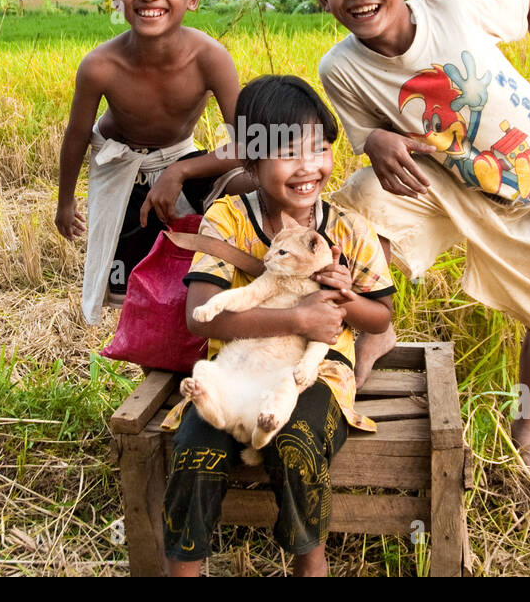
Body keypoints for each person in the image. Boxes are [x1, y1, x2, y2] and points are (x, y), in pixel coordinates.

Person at [311, 0, 530, 469]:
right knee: (361, 203)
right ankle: (376, 328)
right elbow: (363, 132)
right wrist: (374, 141)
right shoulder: (340, 67)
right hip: (452, 182)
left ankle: (528, 430)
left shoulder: (455, 8)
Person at [161, 75, 395, 576]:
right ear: (250, 158)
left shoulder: (349, 228)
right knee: (195, 453)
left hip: (314, 371)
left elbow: (381, 315)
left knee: (296, 445)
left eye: (322, 149)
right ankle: (183, 568)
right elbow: (200, 313)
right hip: (239, 368)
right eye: (289, 152)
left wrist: (346, 299)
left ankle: (311, 565)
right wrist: (297, 317)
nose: (309, 167)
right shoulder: (227, 219)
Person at [55, 0, 246, 324]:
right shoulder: (100, 65)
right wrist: (65, 202)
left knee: (261, 185)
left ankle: (239, 293)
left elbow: (247, 143)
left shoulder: (210, 57)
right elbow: (76, 136)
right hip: (121, 165)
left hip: (182, 157)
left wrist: (181, 170)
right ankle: (148, 358)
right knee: (133, 284)